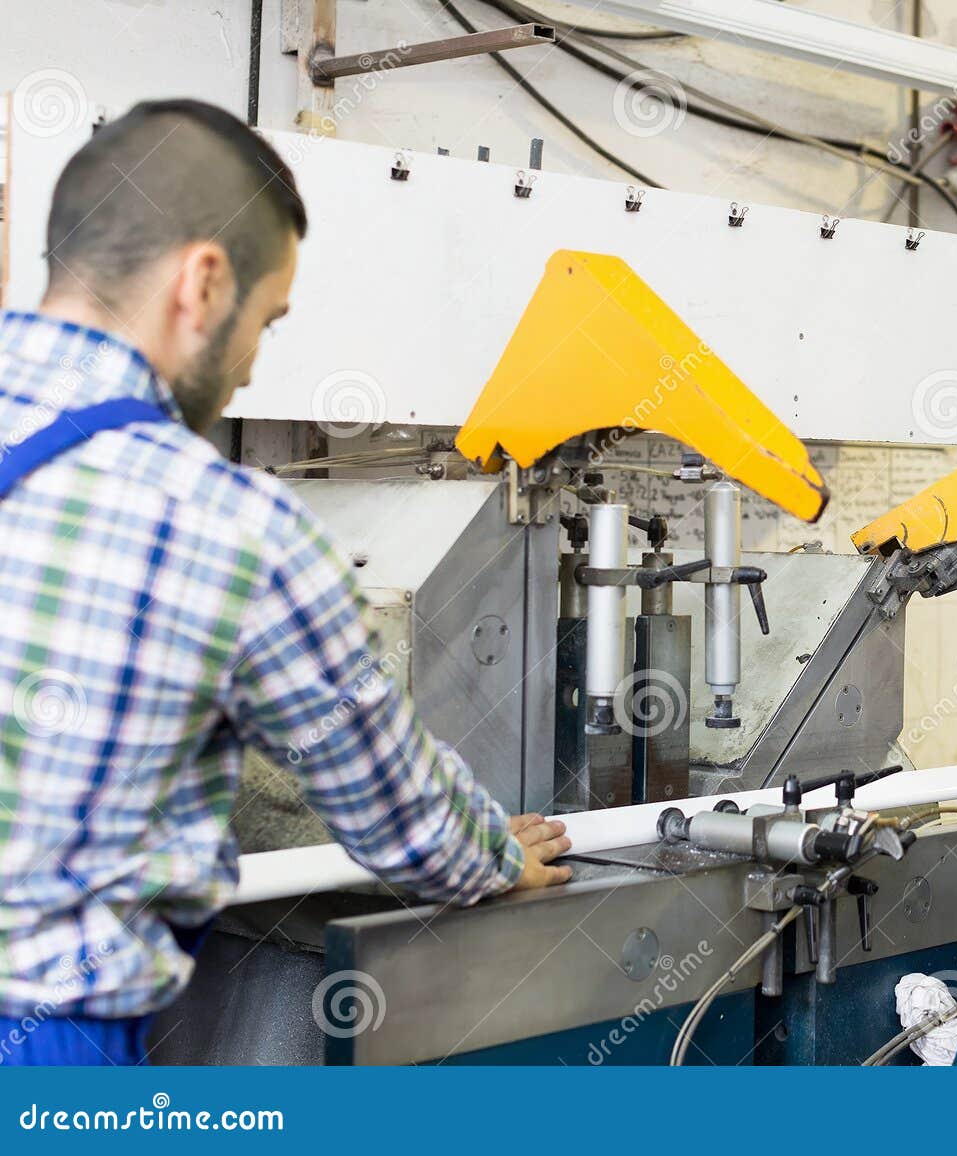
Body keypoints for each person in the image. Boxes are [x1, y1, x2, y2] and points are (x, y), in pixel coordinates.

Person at [0, 100, 571, 1067]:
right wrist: (492, 854)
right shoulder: (224, 527)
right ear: (203, 282)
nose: (253, 369)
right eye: (264, 323)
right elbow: (392, 808)